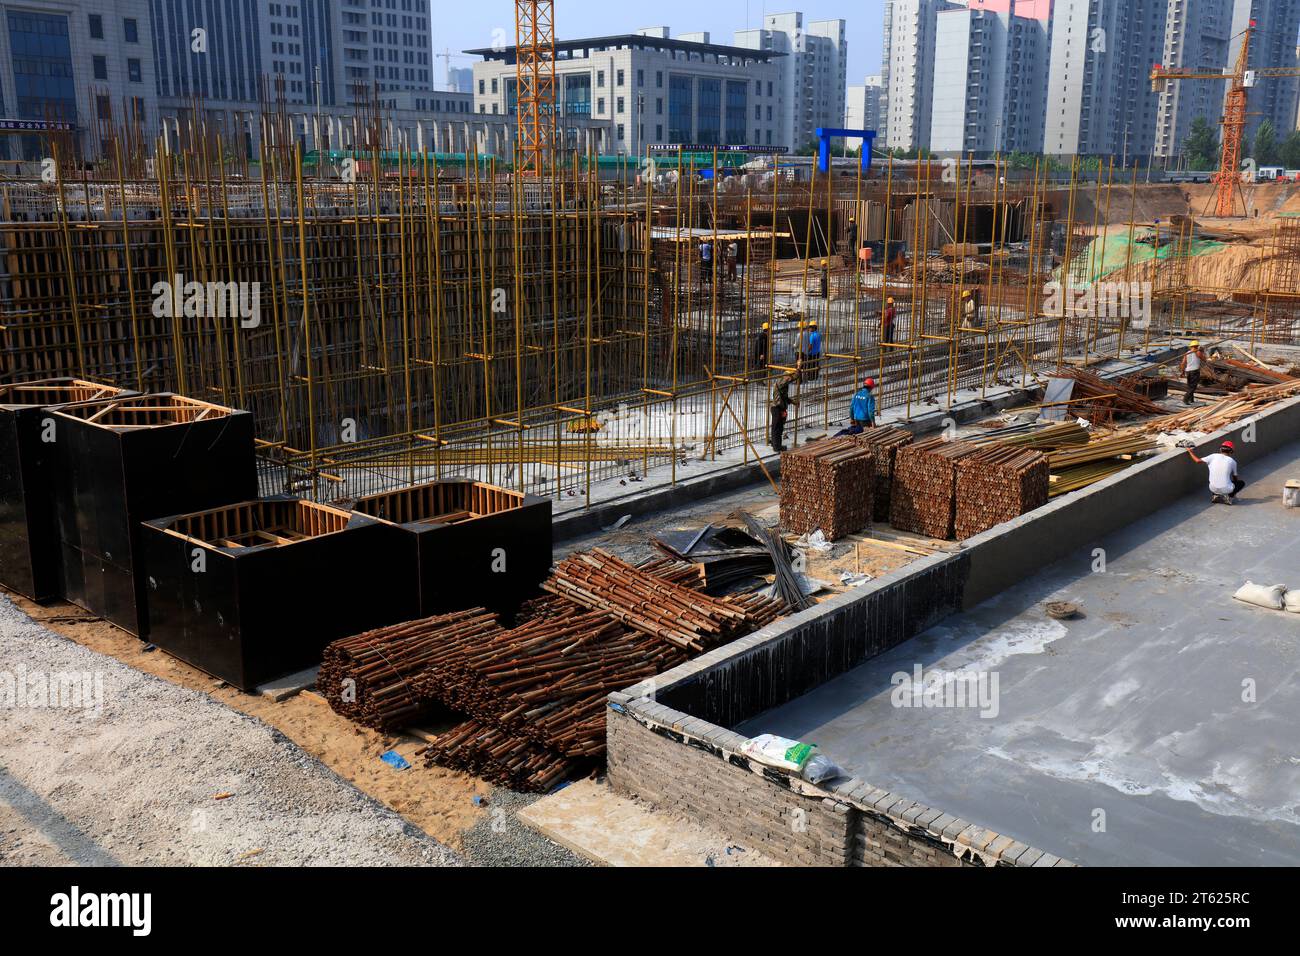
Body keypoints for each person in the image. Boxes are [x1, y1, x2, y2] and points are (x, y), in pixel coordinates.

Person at [1187, 440, 1244, 504]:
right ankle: (1229, 498)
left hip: (1212, 488)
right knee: (1241, 483)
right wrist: (1232, 488)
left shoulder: (1213, 456)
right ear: (1231, 451)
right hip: (1226, 489)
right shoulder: (1233, 462)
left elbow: (1197, 461)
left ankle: (1215, 496)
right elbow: (1235, 478)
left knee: (1216, 477)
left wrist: (1190, 452)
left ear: (1220, 449)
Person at [769, 371, 800, 452]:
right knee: (777, 428)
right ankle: (777, 447)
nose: (789, 378)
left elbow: (784, 398)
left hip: (780, 408)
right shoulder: (780, 381)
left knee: (779, 428)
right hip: (776, 408)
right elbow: (792, 378)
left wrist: (793, 402)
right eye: (788, 376)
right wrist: (798, 369)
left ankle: (776, 444)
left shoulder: (783, 385)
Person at [1180, 340, 1206, 405]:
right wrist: (1202, 352)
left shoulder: (1187, 353)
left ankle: (1191, 400)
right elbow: (1204, 359)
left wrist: (1182, 372)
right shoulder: (1198, 352)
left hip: (1188, 371)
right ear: (1197, 346)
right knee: (1193, 387)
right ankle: (1185, 399)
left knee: (1190, 386)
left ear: (1191, 346)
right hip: (1194, 371)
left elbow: (1183, 363)